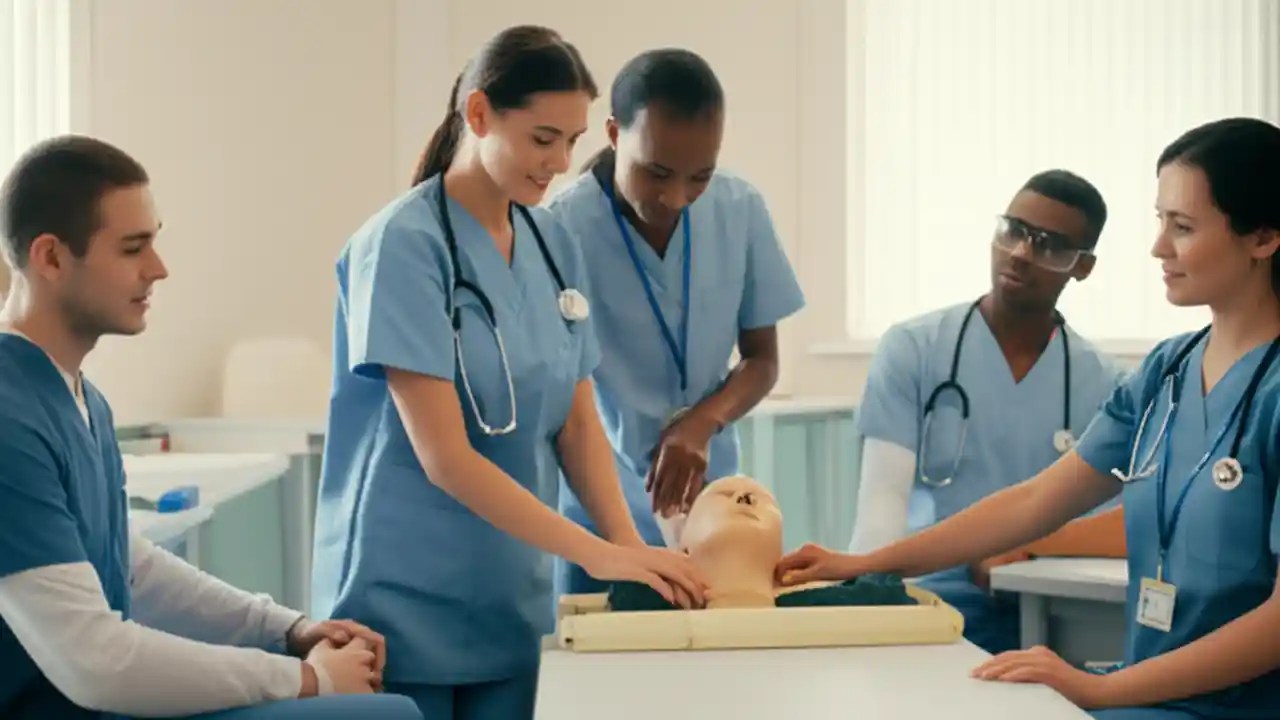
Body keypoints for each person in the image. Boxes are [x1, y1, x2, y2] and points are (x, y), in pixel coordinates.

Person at [777, 117, 1280, 719]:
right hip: (1148, 697)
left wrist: (1099, 689)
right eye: (1160, 221)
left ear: (1263, 237)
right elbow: (1035, 501)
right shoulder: (1165, 373)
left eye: (1183, 227)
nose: (1158, 247)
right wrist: (863, 565)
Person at [309, 26, 707, 720]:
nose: (560, 162)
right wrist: (598, 554)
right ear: (478, 114)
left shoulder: (553, 242)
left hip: (507, 602)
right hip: (399, 600)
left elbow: (577, 423)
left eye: (572, 141)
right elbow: (445, 457)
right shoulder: (402, 245)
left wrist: (629, 549)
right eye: (542, 138)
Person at [0, 136, 423, 720]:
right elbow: (97, 661)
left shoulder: (82, 401)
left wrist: (287, 629)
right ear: (50, 258)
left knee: (387, 708)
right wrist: (308, 678)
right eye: (133, 248)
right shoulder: (9, 417)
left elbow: (128, 566)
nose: (158, 268)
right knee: (378, 715)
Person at [546, 48, 805, 595]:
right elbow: (558, 392)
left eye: (700, 176)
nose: (677, 198)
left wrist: (702, 422)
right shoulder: (560, 231)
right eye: (656, 172)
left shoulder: (740, 209)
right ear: (613, 134)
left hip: (715, 518)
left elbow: (762, 361)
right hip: (601, 513)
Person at [847, 169, 1130, 654]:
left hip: (1054, 603)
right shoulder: (914, 349)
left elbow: (1122, 520)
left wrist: (1028, 549)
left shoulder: (1105, 383)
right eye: (1013, 230)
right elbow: (881, 506)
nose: (1020, 252)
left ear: (1082, 266)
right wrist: (868, 608)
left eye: (1048, 244)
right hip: (930, 598)